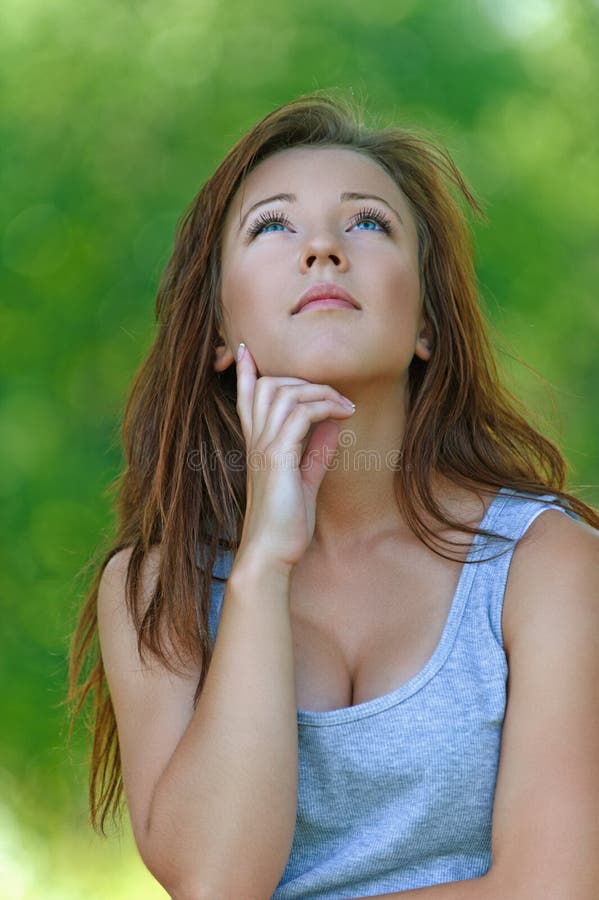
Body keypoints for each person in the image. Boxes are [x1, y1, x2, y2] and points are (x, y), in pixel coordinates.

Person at [68, 90, 599, 899]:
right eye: (273, 226)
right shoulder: (154, 590)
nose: (321, 247)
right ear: (217, 332)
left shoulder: (549, 564)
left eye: (367, 223)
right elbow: (215, 881)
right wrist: (263, 562)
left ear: (426, 324)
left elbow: (551, 890)